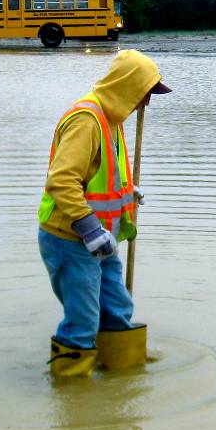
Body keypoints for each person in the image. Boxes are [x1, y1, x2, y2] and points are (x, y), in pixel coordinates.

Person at [38, 49, 172, 377]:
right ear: (127, 87)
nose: (147, 103)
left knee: (117, 307)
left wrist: (128, 192)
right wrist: (89, 229)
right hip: (70, 239)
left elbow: (100, 176)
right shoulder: (87, 120)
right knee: (82, 322)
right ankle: (73, 393)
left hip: (101, 239)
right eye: (145, 94)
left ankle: (121, 370)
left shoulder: (112, 119)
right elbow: (62, 180)